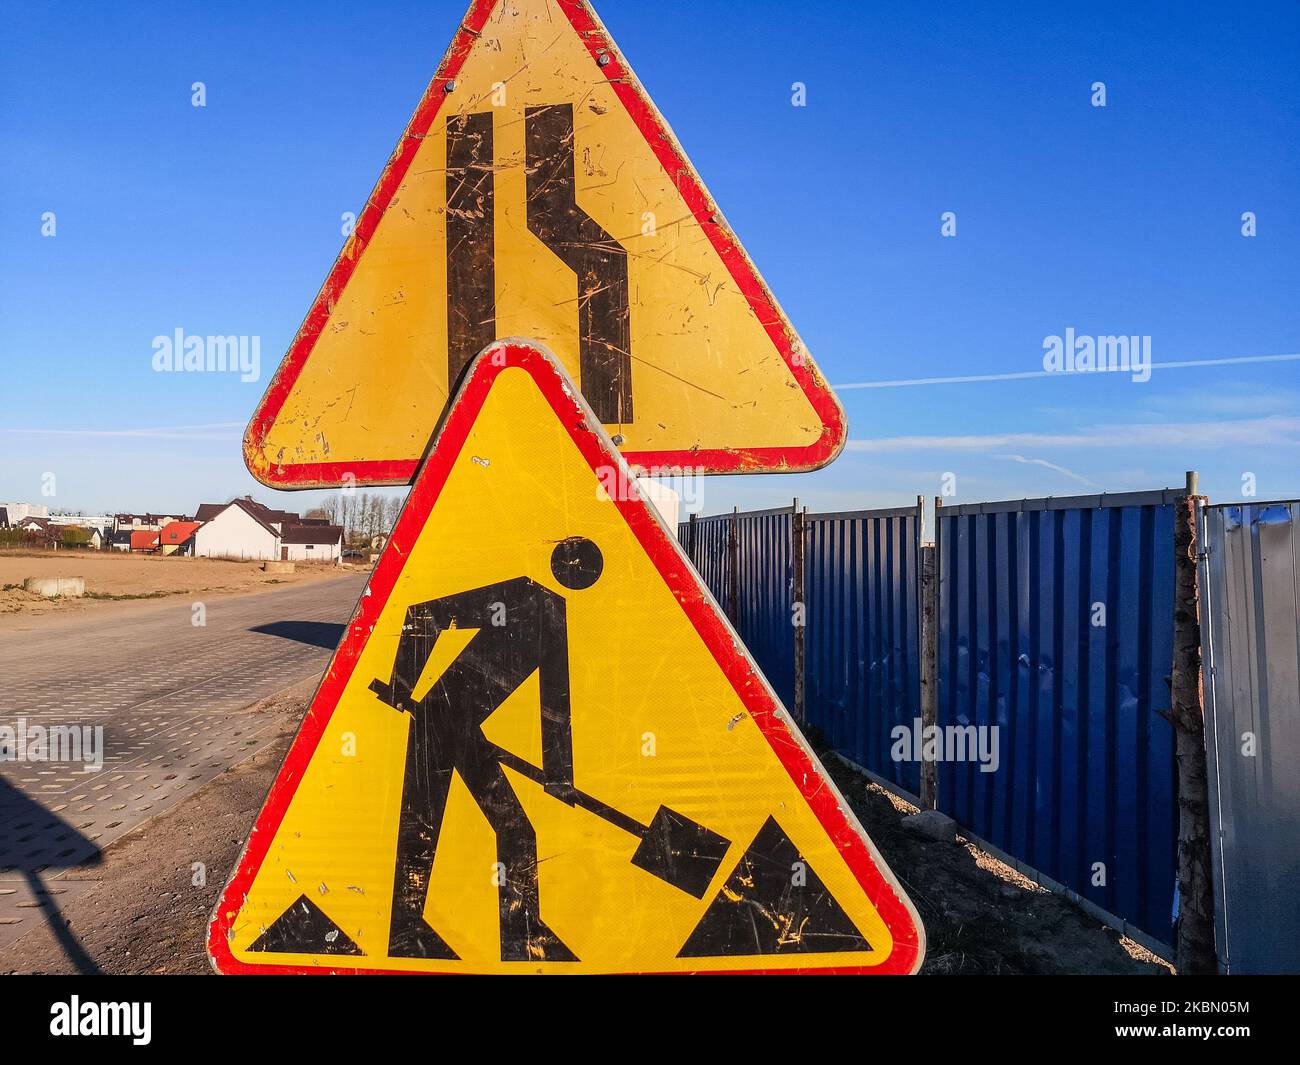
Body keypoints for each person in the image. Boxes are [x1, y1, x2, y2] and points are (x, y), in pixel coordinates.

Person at [369, 536, 603, 962]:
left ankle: (501, 934)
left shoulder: (557, 618)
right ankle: (503, 936)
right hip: (437, 720)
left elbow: (554, 708)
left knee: (439, 823)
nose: (581, 578)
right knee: (432, 823)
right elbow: (422, 614)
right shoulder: (520, 594)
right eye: (580, 569)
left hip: (460, 729)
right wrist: (403, 685)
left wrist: (560, 779)